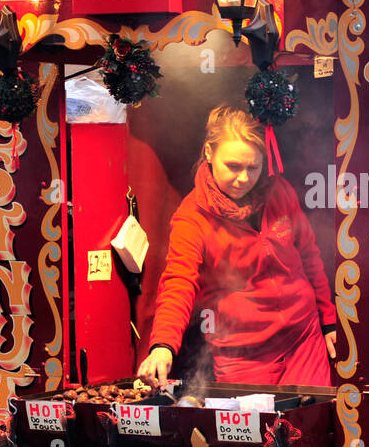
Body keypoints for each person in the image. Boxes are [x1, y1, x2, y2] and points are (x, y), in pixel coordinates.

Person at [136, 105, 336, 389]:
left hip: (302, 338)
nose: (244, 178)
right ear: (209, 153)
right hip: (243, 352)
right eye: (233, 166)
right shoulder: (191, 217)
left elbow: (310, 257)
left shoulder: (279, 192)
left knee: (311, 428)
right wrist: (163, 346)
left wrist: (328, 321)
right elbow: (178, 283)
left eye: (253, 167)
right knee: (258, 431)